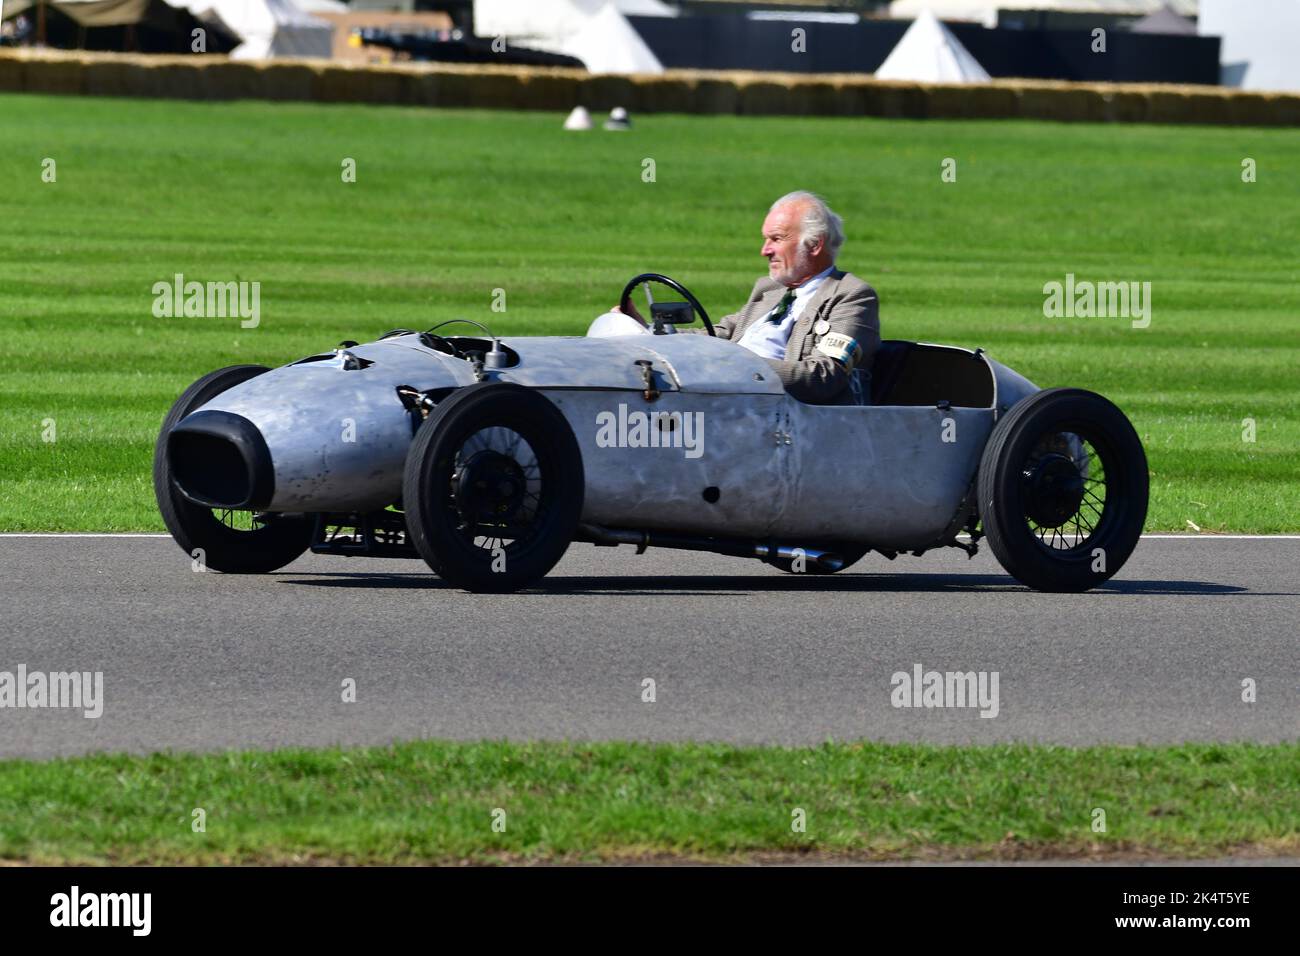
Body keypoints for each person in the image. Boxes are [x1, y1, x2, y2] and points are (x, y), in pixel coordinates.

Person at [620, 191, 880, 405]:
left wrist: (739, 367)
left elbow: (825, 377)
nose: (764, 250)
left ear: (814, 245)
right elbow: (718, 334)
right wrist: (647, 334)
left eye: (776, 239)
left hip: (778, 415)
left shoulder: (851, 295)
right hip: (727, 399)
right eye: (766, 239)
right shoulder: (769, 290)